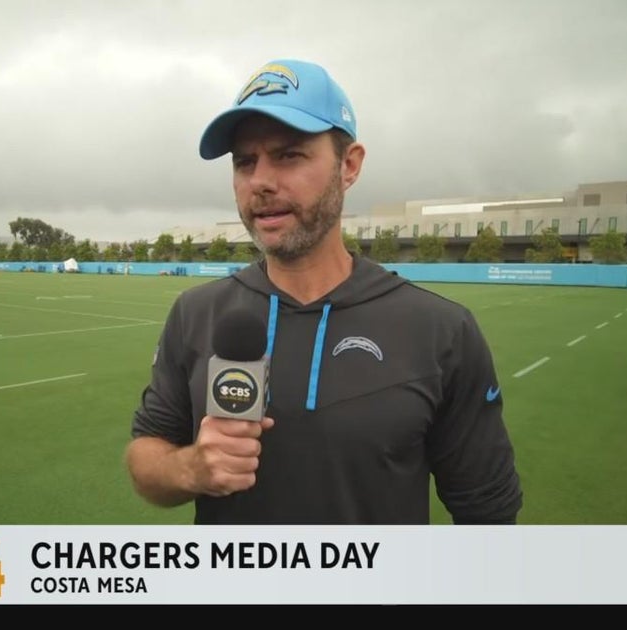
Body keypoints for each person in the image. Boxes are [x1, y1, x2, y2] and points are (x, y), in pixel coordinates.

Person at [125, 59, 522, 525]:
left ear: (349, 165)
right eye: (244, 162)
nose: (261, 182)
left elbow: (487, 516)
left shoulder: (441, 330)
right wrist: (191, 468)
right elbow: (146, 453)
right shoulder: (197, 312)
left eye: (289, 154)